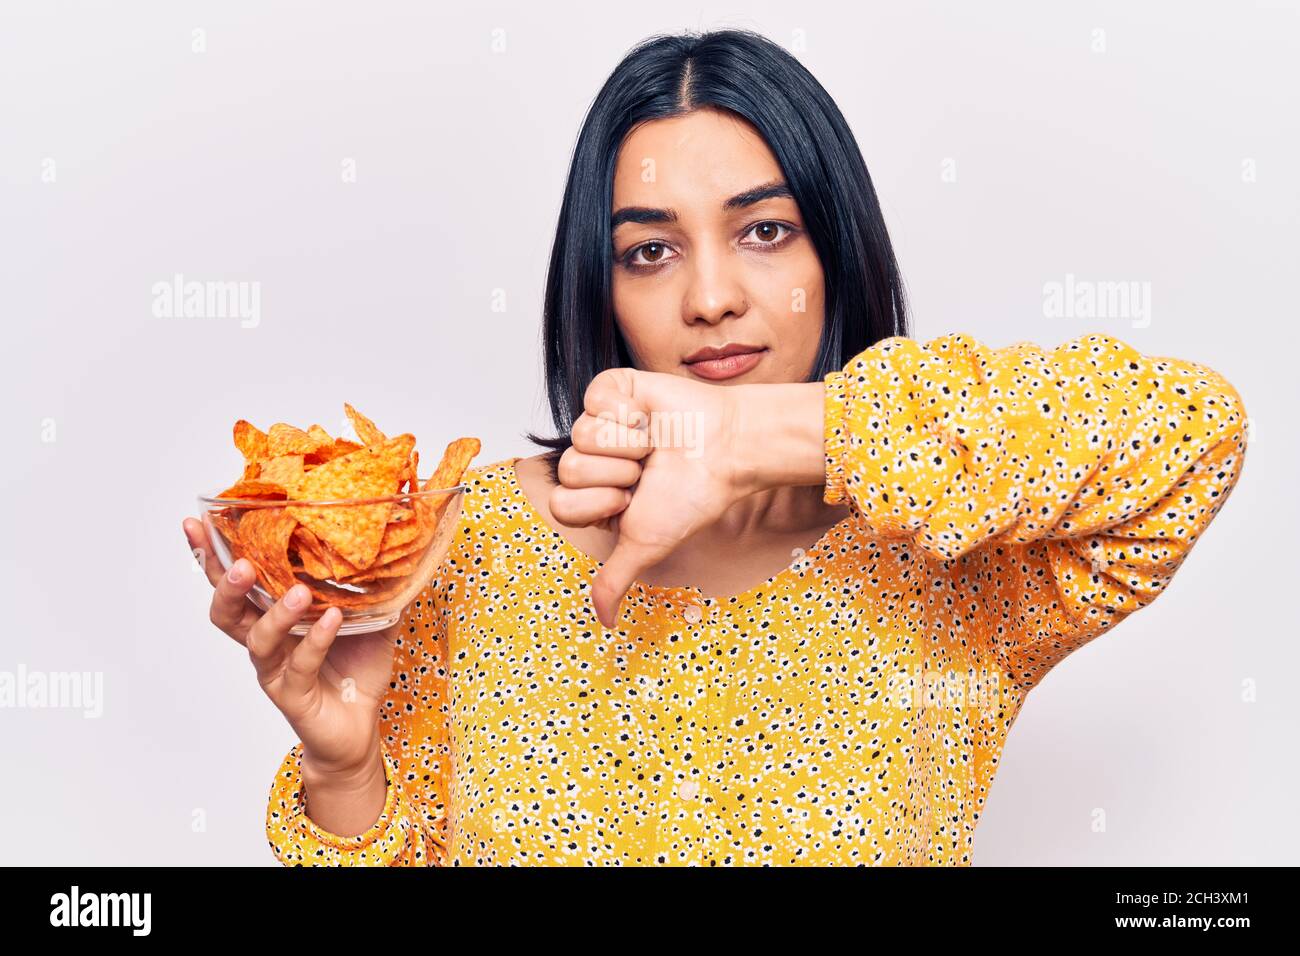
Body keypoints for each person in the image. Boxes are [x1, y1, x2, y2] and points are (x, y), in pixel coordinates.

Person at [182, 29, 1248, 866]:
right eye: (649, 249)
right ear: (597, 287)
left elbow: (1190, 432)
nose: (709, 297)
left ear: (836, 245)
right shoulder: (469, 544)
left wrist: (744, 434)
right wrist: (345, 762)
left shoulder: (949, 560)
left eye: (764, 230)